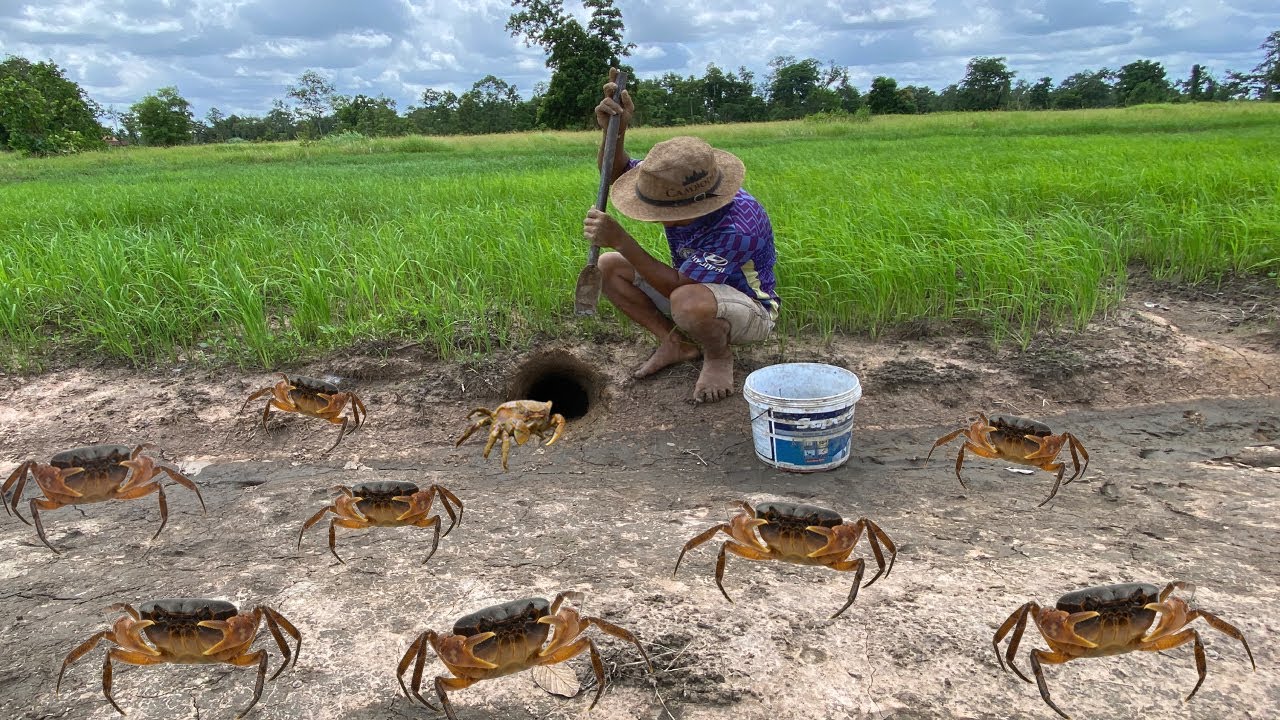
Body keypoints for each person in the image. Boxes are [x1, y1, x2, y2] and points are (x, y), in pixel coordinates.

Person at [582, 70, 780, 405]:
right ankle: (675, 343)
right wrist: (615, 130)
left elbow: (679, 285)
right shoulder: (676, 180)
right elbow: (615, 172)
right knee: (609, 266)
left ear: (698, 203)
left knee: (687, 301)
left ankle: (718, 356)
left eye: (664, 212)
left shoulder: (737, 227)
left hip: (750, 309)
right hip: (693, 291)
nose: (658, 218)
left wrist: (622, 239)